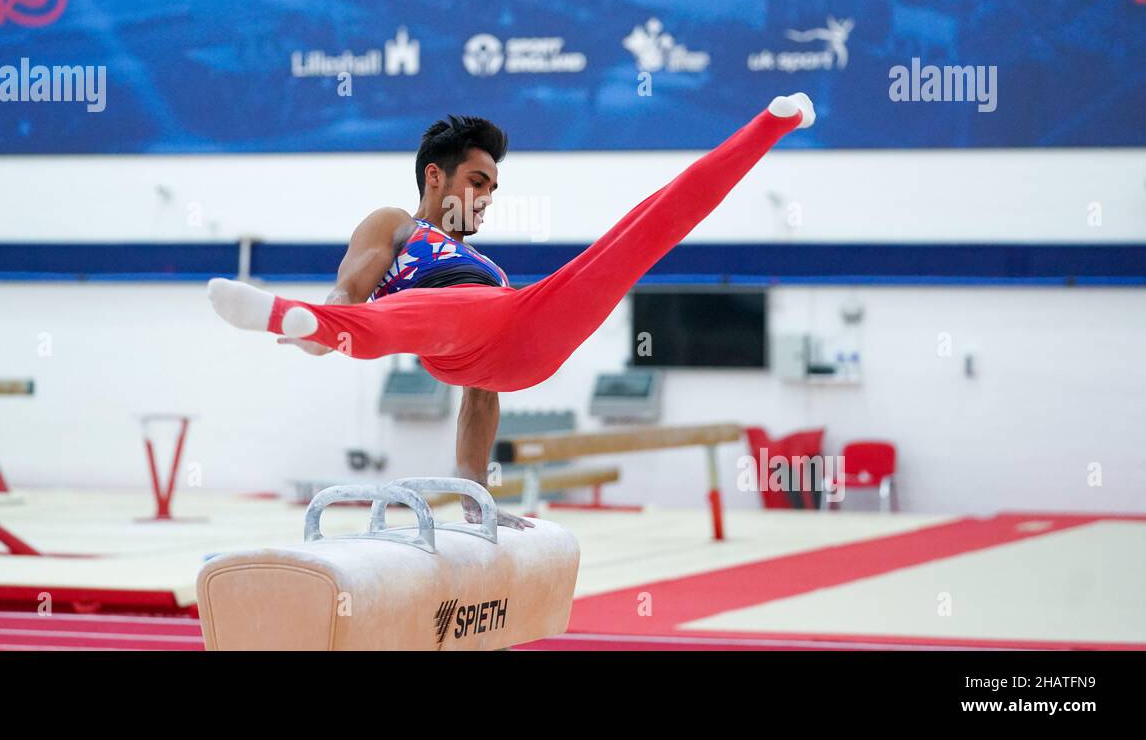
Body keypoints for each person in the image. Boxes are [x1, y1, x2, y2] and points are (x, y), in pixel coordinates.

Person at [210, 92, 815, 528]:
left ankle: (767, 123)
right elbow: (352, 290)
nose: (488, 197)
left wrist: (476, 495)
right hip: (439, 332)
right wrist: (329, 321)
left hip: (521, 335)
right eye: (478, 180)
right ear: (434, 178)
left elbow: (480, 396)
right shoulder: (396, 226)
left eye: (495, 187)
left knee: (642, 230)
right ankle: (305, 323)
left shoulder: (488, 268)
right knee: (422, 312)